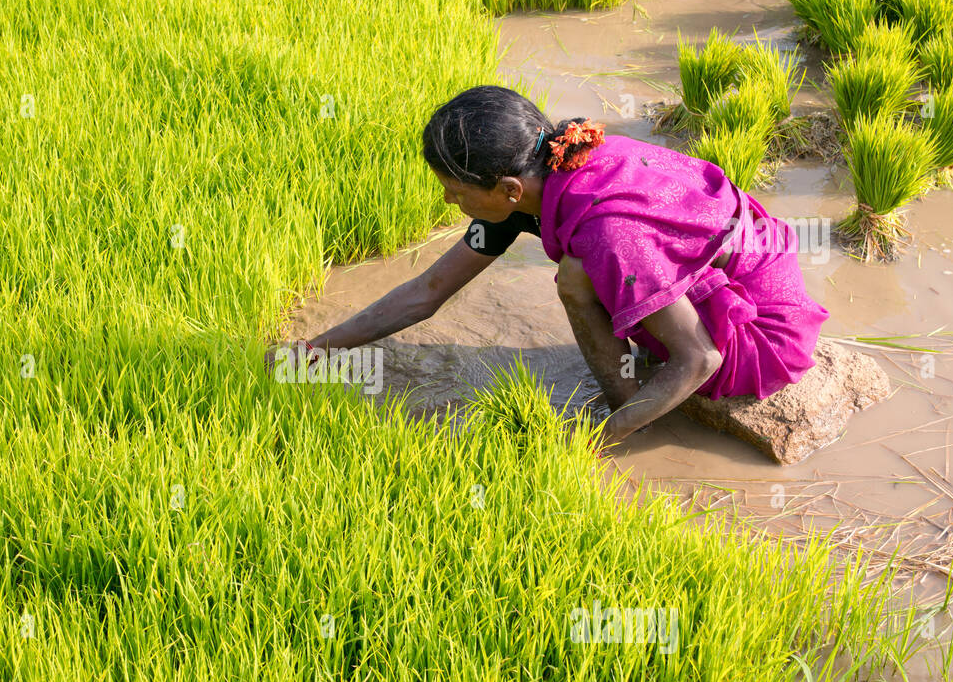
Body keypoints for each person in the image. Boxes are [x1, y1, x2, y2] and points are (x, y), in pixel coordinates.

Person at [266, 85, 830, 448]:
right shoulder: (553, 165)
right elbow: (430, 290)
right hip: (730, 270)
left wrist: (597, 442)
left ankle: (630, 400)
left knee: (576, 276)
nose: (448, 204)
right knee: (585, 268)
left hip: (758, 335)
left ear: (508, 189)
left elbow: (699, 357)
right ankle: (633, 374)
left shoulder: (604, 228)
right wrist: (317, 348)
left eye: (455, 193)